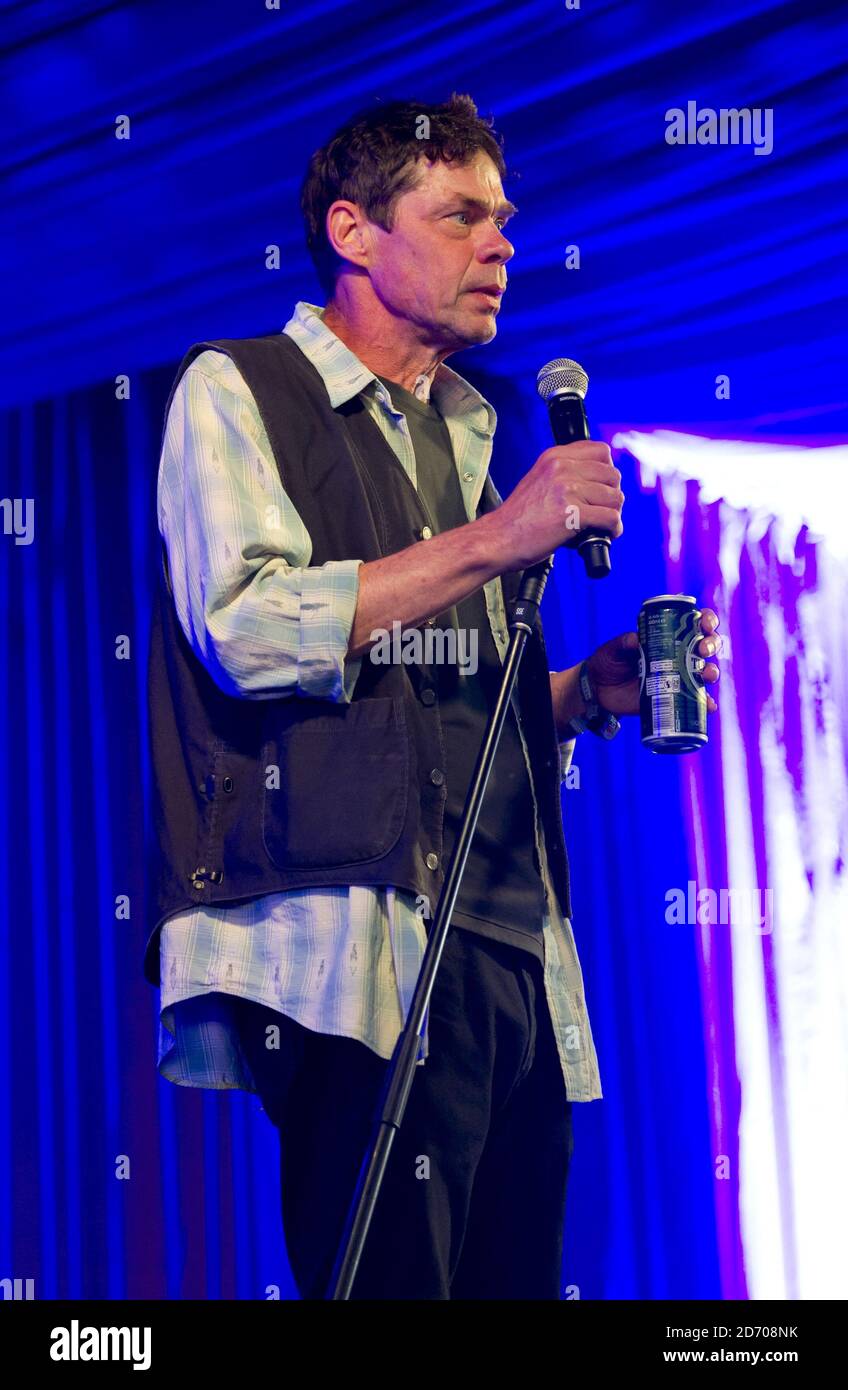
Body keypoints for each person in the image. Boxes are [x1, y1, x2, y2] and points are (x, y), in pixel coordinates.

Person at [145, 92, 722, 1300]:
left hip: (513, 943)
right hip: (362, 946)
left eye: (503, 218)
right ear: (353, 233)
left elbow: (430, 690)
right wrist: (500, 537)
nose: (500, 243)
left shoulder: (467, 428)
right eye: (460, 215)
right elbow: (245, 627)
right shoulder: (238, 388)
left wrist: (577, 691)